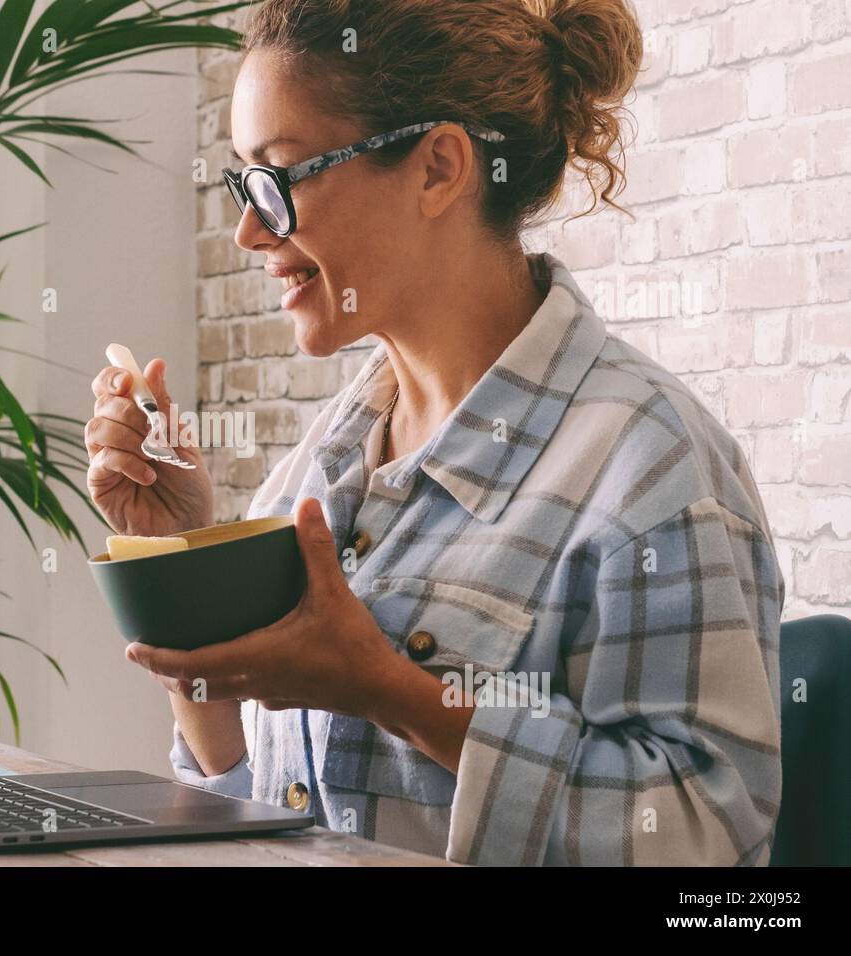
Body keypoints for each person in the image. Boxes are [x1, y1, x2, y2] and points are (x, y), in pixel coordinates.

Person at [83, 0, 782, 865]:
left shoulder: (652, 472)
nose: (251, 230)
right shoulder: (323, 461)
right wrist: (185, 563)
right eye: (244, 182)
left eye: (282, 176)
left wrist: (394, 692)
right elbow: (243, 805)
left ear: (439, 168)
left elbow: (703, 843)